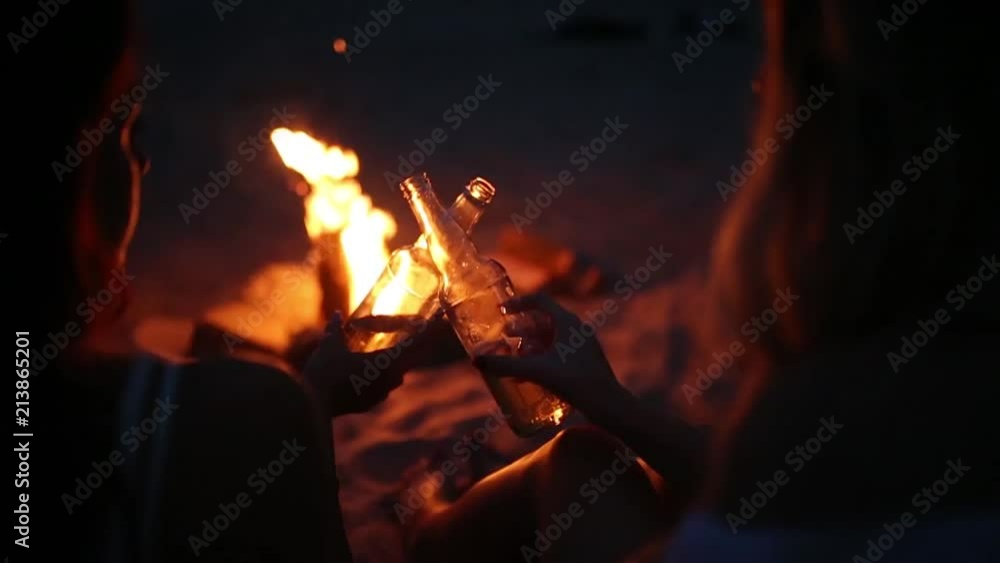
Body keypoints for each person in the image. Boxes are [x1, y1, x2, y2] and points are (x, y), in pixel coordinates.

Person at [404, 0, 999, 561]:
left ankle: (425, 526)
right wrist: (607, 399)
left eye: (773, 70)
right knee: (582, 456)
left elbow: (762, 490)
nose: (759, 87)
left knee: (573, 469)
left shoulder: (828, 404)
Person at [18, 2, 443, 561]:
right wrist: (298, 409)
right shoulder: (238, 414)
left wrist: (309, 398)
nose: (142, 164)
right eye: (122, 131)